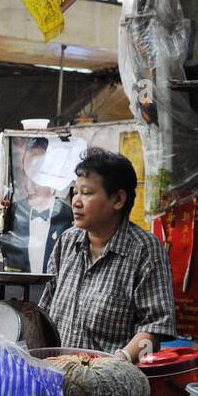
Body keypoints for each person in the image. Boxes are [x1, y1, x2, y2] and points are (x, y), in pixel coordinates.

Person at [38, 148, 177, 362]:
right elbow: (45, 310)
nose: (76, 201)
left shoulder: (144, 250)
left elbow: (155, 329)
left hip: (108, 386)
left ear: (118, 200)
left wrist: (119, 362)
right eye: (76, 192)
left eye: (87, 193)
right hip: (55, 376)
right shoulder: (67, 242)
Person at [0, 137, 74, 273]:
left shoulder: (71, 218)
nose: (29, 187)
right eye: (25, 175)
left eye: (37, 177)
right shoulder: (11, 214)